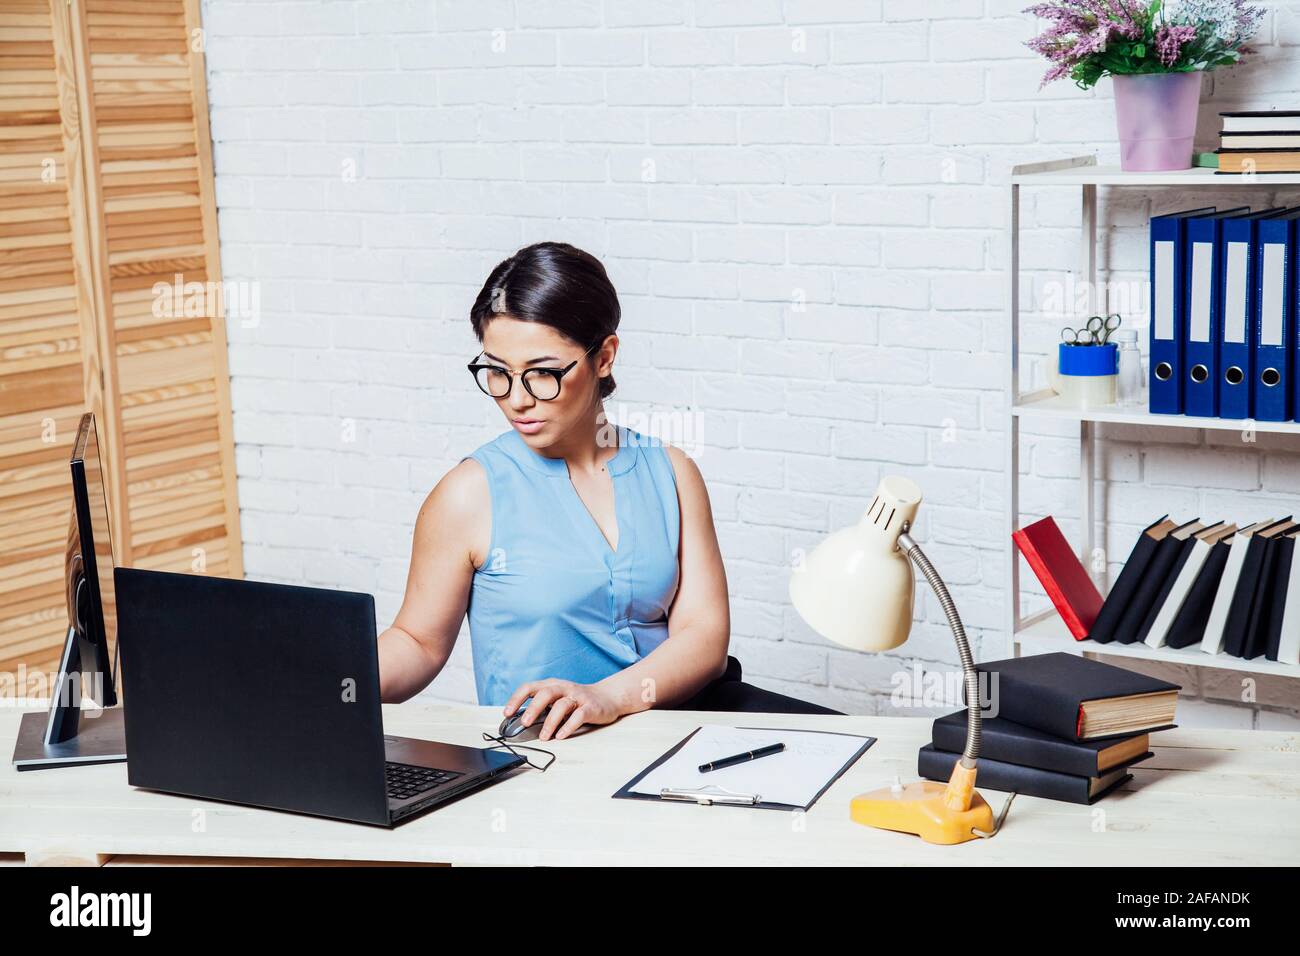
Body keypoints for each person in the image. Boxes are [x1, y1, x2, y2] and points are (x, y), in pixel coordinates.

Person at [378, 241, 839, 740]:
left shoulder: (671, 472)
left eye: (542, 373)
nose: (516, 398)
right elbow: (418, 642)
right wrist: (329, 683)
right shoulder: (470, 493)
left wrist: (610, 697)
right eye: (497, 372)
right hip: (545, 754)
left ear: (604, 357)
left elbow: (703, 638)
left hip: (673, 738)